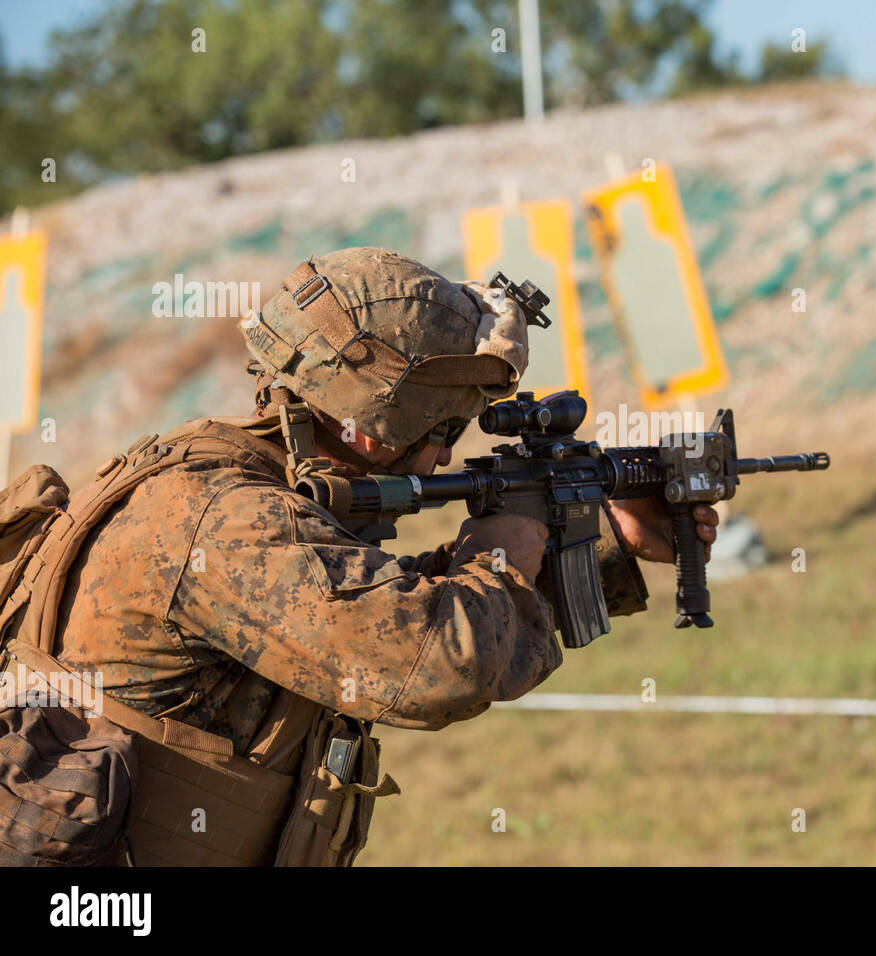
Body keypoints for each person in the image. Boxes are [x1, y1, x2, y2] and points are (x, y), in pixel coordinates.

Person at [1, 246, 716, 865]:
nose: (446, 455)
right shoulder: (227, 521)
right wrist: (496, 556)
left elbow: (367, 610)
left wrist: (608, 542)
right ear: (379, 424)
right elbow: (435, 662)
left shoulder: (230, 480)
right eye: (446, 424)